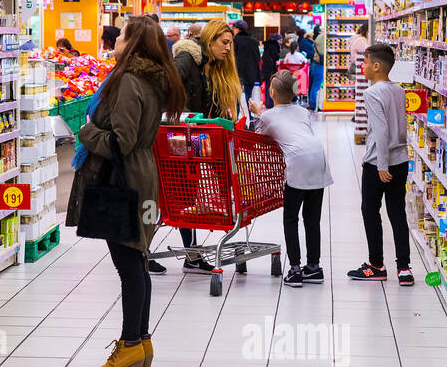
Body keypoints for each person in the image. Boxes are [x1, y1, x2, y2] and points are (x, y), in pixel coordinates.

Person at [66, 17, 186, 367]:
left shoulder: (129, 82)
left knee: (129, 265)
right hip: (140, 175)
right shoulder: (148, 79)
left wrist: (87, 132)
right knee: (137, 260)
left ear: (132, 44)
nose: (115, 40)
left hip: (124, 180)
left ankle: (130, 346)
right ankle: (141, 343)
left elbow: (121, 141)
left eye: (120, 36)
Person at [171, 19, 247, 273]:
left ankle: (192, 256)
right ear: (210, 40)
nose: (228, 49)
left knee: (186, 193)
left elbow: (205, 99)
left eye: (230, 44)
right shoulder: (187, 59)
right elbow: (168, 86)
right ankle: (186, 255)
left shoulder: (212, 65)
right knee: (178, 194)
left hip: (195, 136)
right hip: (178, 135)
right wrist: (179, 115)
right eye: (224, 43)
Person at [250, 71, 332, 286]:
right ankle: (314, 267)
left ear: (272, 92)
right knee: (312, 219)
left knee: (291, 218)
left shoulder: (268, 115)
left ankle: (295, 268)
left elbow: (259, 137)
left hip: (298, 164)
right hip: (319, 159)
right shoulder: (303, 111)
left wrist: (258, 113)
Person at [348, 43, 414, 286]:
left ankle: (376, 265)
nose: (362, 67)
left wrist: (382, 166)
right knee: (397, 213)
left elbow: (381, 130)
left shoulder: (372, 93)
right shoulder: (398, 90)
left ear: (376, 66)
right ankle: (404, 269)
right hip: (401, 160)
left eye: (365, 62)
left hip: (379, 163)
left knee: (370, 211)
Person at [232, 19, 261, 105]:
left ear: (237, 29)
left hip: (237, 73)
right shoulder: (254, 41)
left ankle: (235, 117)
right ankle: (252, 117)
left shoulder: (235, 41)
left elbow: (232, 58)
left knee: (236, 96)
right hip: (251, 73)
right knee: (250, 97)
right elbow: (258, 58)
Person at [308, 24, 325, 112]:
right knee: (317, 85)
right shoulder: (322, 37)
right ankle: (314, 104)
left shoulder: (317, 38)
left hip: (315, 63)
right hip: (319, 64)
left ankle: (312, 103)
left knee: (315, 84)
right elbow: (323, 51)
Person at [260, 32, 281, 104]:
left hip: (266, 68)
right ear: (276, 40)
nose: (281, 42)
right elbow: (275, 56)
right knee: (271, 85)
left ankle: (268, 102)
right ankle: (270, 102)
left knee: (268, 85)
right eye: (280, 40)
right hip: (271, 68)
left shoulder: (267, 45)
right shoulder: (273, 46)